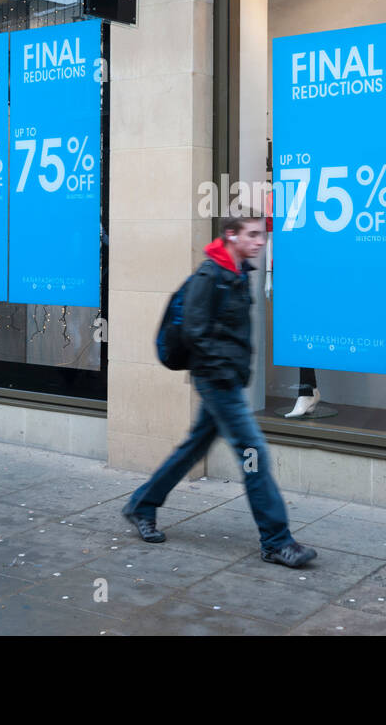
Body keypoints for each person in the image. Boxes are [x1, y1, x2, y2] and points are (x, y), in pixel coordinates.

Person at [123, 215, 318, 569]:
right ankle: (276, 541)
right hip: (216, 381)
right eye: (253, 235)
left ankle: (142, 505)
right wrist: (225, 371)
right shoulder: (209, 275)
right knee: (253, 452)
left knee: (193, 447)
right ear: (232, 235)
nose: (260, 241)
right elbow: (195, 332)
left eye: (262, 235)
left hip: (226, 380)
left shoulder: (239, 272)